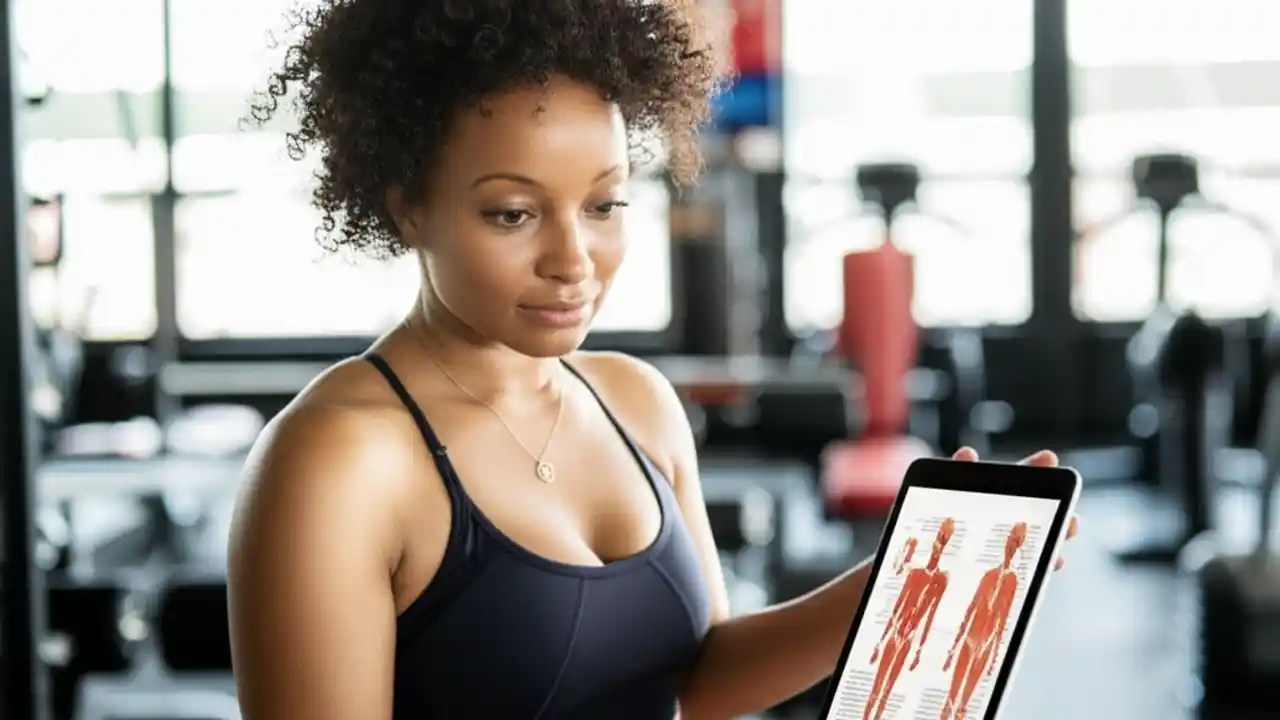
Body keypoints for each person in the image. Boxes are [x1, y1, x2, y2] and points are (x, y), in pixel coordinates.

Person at [225, 2, 1079, 719]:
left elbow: (698, 681)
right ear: (408, 206)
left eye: (604, 203)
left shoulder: (635, 402)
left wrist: (893, 583)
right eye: (514, 214)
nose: (575, 259)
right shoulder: (338, 459)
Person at [864, 518, 955, 720]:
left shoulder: (941, 580)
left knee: (886, 692)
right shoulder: (914, 574)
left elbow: (930, 616)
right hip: (895, 632)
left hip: (908, 639)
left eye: (945, 538)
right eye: (939, 536)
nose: (939, 543)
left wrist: (919, 650)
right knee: (876, 687)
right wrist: (879, 643)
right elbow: (897, 608)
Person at [940, 522, 1029, 720]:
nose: (1011, 544)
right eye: (1010, 538)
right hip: (971, 637)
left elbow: (1003, 620)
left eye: (1016, 540)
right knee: (950, 701)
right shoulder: (988, 575)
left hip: (986, 643)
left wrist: (995, 658)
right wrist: (953, 650)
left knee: (963, 706)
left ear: (1019, 544)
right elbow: (970, 609)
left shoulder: (1012, 580)